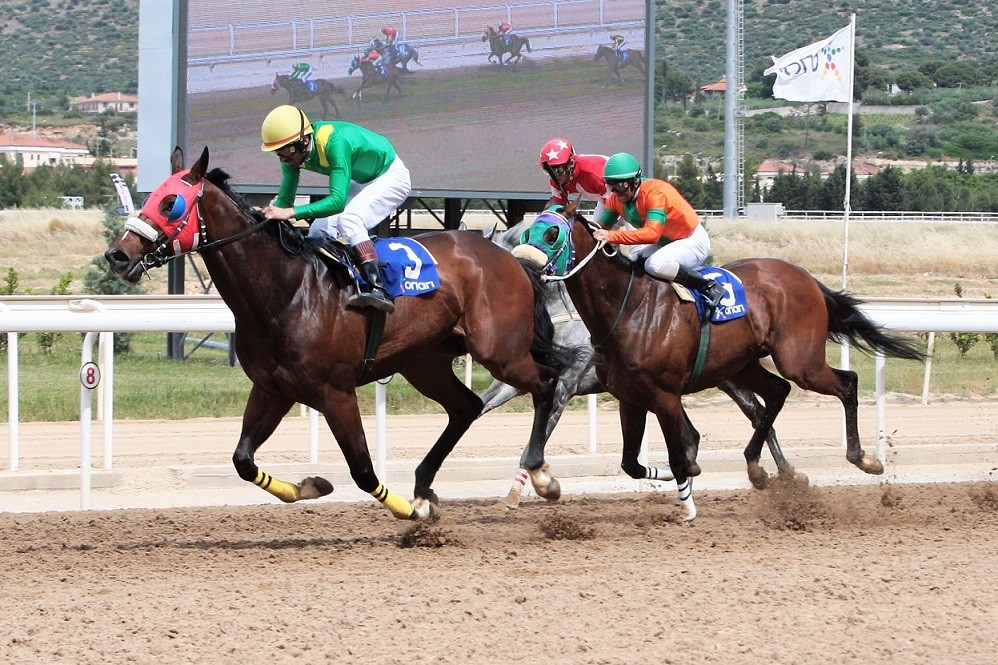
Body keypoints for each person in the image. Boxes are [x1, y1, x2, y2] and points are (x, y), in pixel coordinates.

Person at [260, 105, 411, 313]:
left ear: (304, 141)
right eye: (278, 152)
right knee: (317, 230)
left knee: (349, 220)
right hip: (360, 181)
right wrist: (264, 215)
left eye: (286, 151)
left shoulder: (335, 142)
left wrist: (292, 212)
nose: (283, 159)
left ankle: (378, 287)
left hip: (391, 177)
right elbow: (284, 201)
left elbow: (337, 202)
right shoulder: (293, 153)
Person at [593, 152, 726, 309]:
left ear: (635, 181)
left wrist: (611, 236)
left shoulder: (655, 192)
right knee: (633, 262)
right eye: (611, 187)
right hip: (667, 243)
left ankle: (708, 286)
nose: (617, 193)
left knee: (654, 265)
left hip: (692, 240)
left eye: (621, 186)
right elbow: (598, 228)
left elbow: (652, 234)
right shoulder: (616, 199)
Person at [536, 137, 609, 222]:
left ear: (571, 164)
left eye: (558, 170)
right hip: (604, 198)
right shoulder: (556, 180)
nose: (554, 177)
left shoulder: (593, 175)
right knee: (597, 226)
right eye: (549, 171)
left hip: (619, 194)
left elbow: (614, 206)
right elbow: (560, 212)